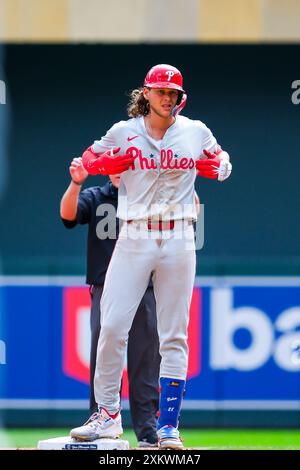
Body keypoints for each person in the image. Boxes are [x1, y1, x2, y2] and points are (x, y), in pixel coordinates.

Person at [70, 64, 232, 449]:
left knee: (174, 335)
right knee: (111, 326)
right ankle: (107, 414)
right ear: (145, 93)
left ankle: (168, 426)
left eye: (172, 93)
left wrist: (219, 167)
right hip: (135, 234)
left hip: (179, 236)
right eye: (160, 91)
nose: (166, 98)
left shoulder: (195, 131)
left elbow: (223, 163)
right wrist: (100, 165)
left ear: (180, 97)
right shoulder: (124, 132)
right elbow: (85, 161)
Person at [60, 162, 161, 447]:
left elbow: (190, 221)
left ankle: (148, 429)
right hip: (105, 289)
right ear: (107, 169)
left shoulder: (150, 195)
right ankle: (101, 416)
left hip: (145, 288)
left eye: (127, 164)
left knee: (146, 358)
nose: (120, 170)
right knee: (103, 354)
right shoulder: (96, 197)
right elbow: (67, 216)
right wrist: (76, 183)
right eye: (116, 165)